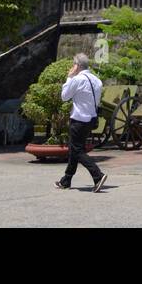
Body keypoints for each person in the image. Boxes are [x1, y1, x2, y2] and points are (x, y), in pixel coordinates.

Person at [55, 53, 109, 192]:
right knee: (75, 149)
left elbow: (64, 96)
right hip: (91, 119)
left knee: (77, 150)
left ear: (77, 66)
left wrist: (69, 77)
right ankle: (66, 180)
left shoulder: (77, 79)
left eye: (73, 64)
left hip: (79, 119)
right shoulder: (97, 81)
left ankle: (98, 175)